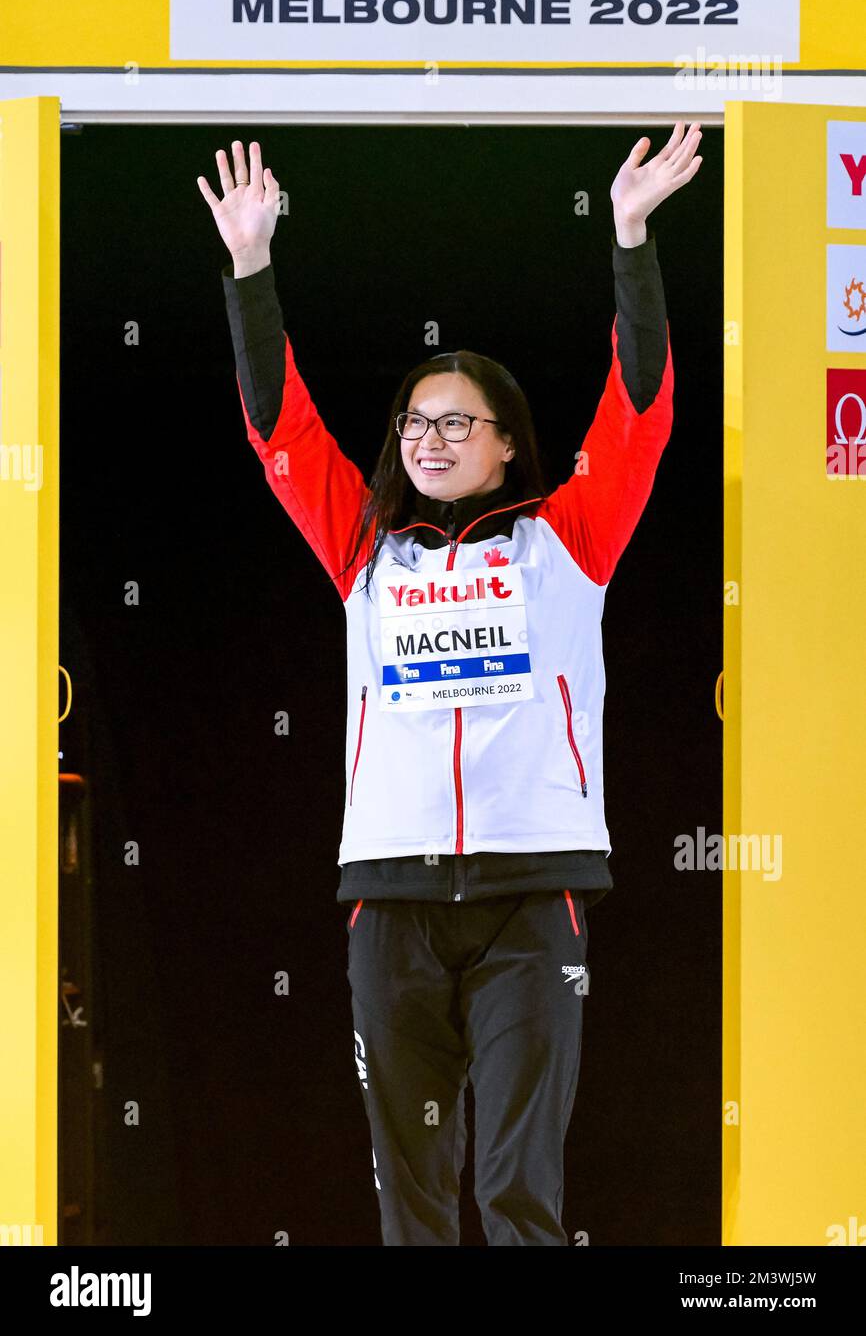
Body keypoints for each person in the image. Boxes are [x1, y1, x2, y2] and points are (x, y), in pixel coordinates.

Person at [197, 123, 702, 1246]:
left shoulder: (566, 539)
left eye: (453, 422)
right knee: (411, 1192)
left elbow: (638, 414)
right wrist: (250, 270)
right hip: (392, 899)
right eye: (413, 421)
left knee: (516, 1185)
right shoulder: (364, 549)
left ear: (507, 445)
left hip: (533, 896)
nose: (427, 438)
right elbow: (280, 429)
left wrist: (626, 240)